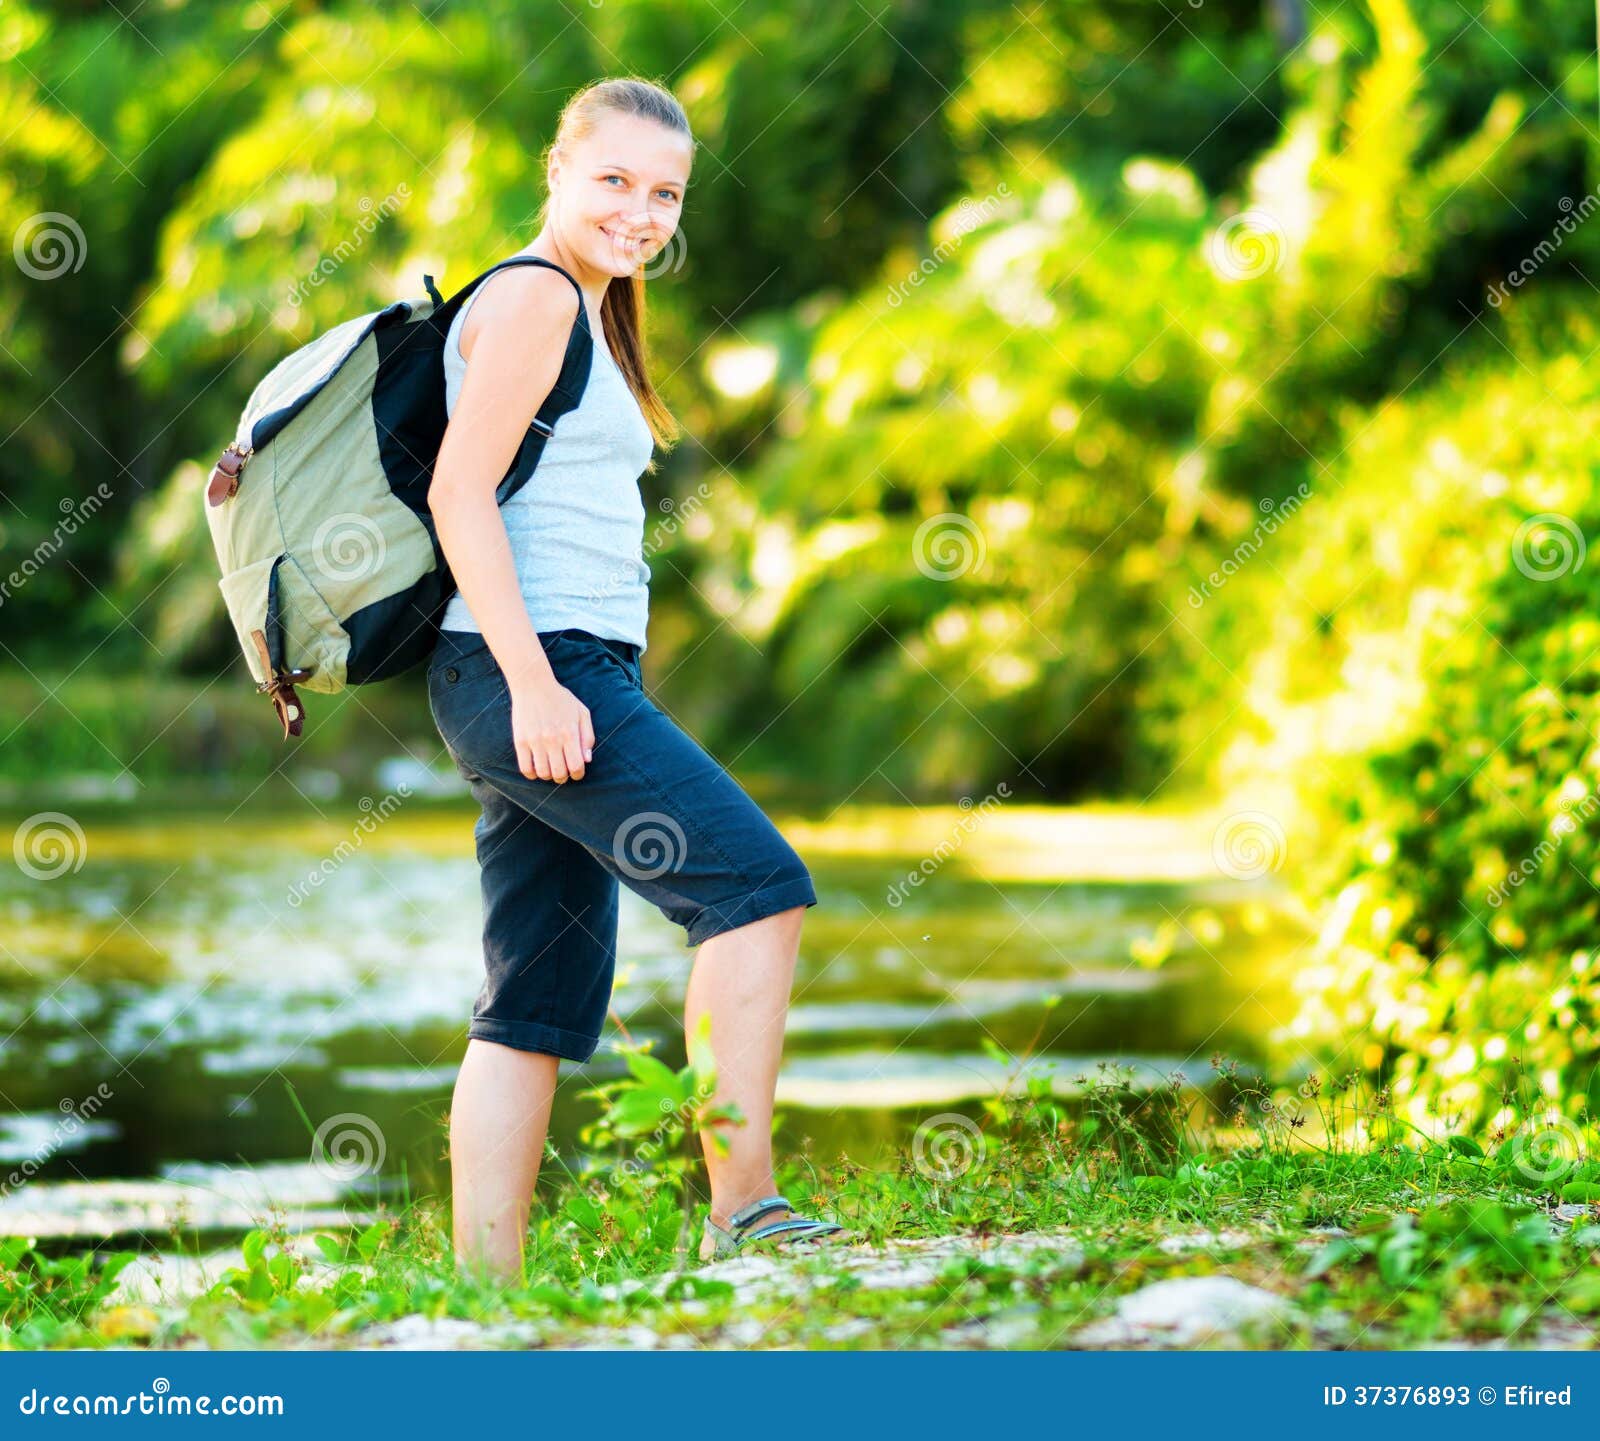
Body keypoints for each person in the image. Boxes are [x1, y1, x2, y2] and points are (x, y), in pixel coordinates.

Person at [427, 75, 843, 1283]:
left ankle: (482, 1289)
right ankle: (742, 1209)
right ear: (555, 174)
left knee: (537, 995)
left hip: (540, 667)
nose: (641, 210)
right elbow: (461, 494)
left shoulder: (592, 310)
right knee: (757, 889)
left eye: (664, 192)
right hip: (533, 668)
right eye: (613, 180)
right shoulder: (537, 299)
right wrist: (536, 686)